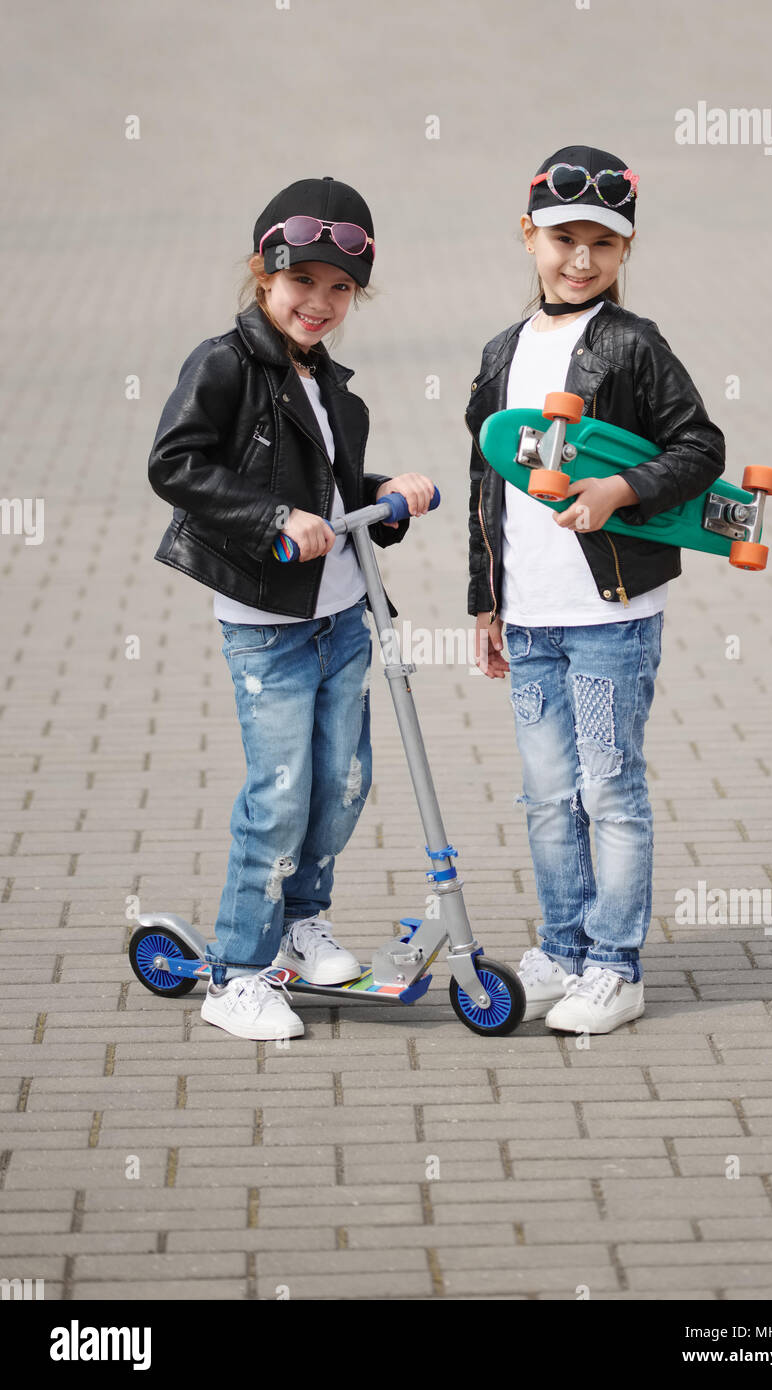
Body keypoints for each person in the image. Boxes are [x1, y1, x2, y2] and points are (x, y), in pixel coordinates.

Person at [148, 176, 435, 1040]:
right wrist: (272, 519)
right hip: (267, 627)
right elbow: (177, 466)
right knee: (279, 796)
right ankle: (236, 973)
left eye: (339, 288)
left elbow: (336, 492)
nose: (318, 302)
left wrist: (388, 493)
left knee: (343, 784)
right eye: (300, 281)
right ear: (261, 273)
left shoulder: (333, 387)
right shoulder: (224, 364)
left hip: (344, 618)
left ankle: (302, 923)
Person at [466, 145, 725, 1034]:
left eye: (601, 246)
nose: (580, 260)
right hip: (531, 617)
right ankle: (563, 949)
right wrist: (484, 602)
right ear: (527, 235)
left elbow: (699, 447)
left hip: (610, 615)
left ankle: (615, 965)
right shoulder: (503, 351)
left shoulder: (631, 343)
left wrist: (621, 489)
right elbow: (485, 486)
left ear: (624, 252)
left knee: (607, 789)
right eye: (563, 239)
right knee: (546, 796)